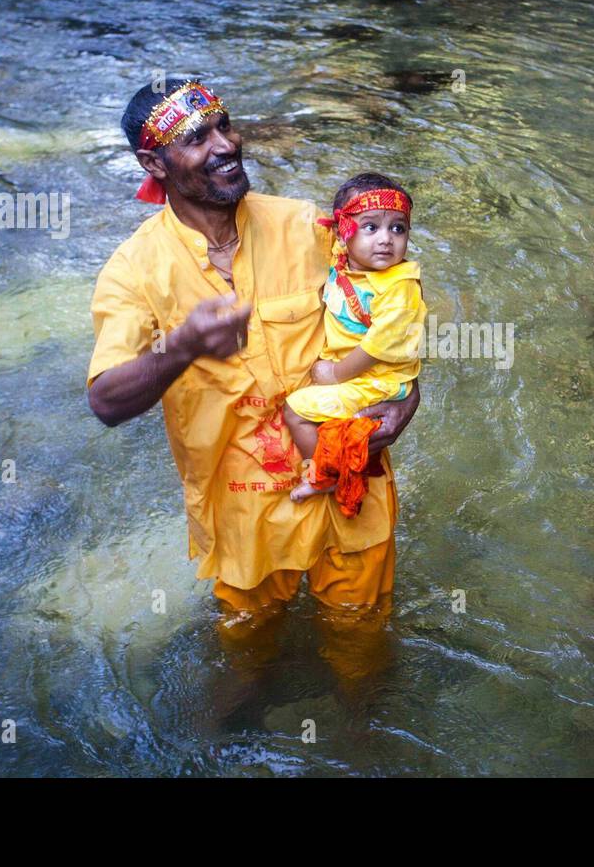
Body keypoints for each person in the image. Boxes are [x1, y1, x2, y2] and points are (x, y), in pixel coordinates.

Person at [86, 79, 419, 641]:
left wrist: (408, 399)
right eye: (197, 137)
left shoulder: (309, 227)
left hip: (348, 482)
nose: (226, 144)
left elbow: (398, 311)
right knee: (247, 654)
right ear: (154, 162)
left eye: (225, 125)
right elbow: (106, 401)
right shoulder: (135, 270)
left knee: (362, 648)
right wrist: (185, 345)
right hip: (243, 514)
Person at [283, 173, 427, 511]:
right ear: (342, 233)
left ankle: (322, 475)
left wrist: (335, 374)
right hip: (361, 373)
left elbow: (379, 347)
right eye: (370, 227)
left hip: (379, 380)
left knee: (296, 411)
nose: (385, 240)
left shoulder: (399, 288)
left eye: (398, 228)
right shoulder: (343, 257)